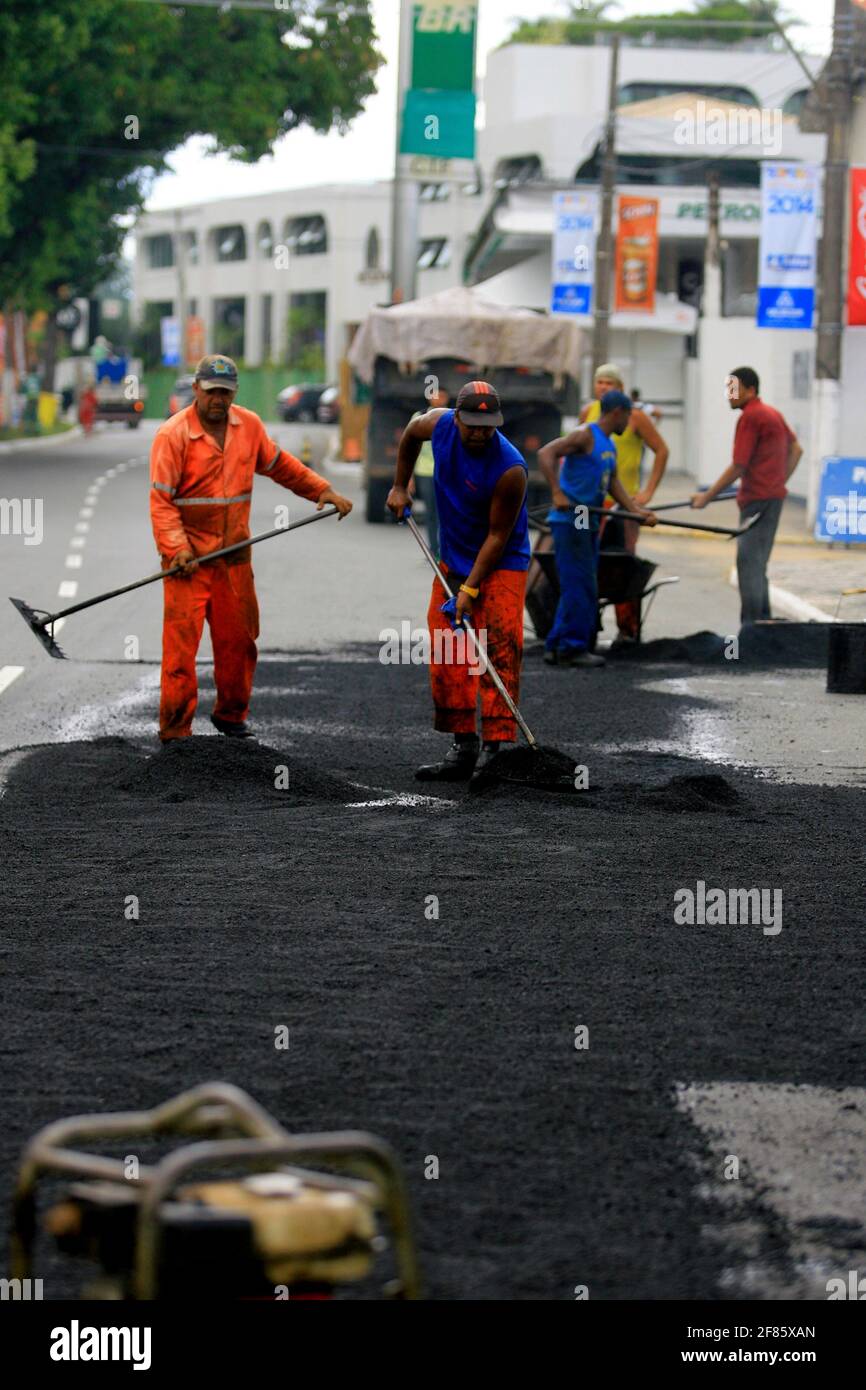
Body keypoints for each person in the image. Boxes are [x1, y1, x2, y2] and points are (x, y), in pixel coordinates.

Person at [150, 353, 352, 743]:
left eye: (225, 393)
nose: (218, 400)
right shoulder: (172, 436)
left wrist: (322, 490)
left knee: (239, 643)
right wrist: (177, 549)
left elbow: (281, 465)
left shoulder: (249, 427)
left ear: (234, 393)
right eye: (211, 392)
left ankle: (231, 716)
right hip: (187, 563)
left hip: (233, 560)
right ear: (196, 389)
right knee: (180, 655)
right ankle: (175, 734)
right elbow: (161, 502)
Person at [387, 380, 530, 782]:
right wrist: (400, 485)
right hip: (453, 558)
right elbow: (411, 435)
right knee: (449, 649)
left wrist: (470, 589)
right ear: (458, 418)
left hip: (501, 563)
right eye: (474, 424)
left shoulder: (510, 468)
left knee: (499, 649)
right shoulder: (437, 423)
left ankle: (495, 747)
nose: (481, 432)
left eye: (489, 425)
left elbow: (498, 537)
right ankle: (463, 745)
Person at [538, 390, 657, 668]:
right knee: (579, 585)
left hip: (589, 521)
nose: (629, 423)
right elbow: (546, 453)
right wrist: (557, 491)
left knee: (580, 584)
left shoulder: (608, 445)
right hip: (571, 521)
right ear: (617, 413)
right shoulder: (585, 435)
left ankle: (556, 644)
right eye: (628, 416)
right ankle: (571, 648)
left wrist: (636, 512)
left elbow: (612, 483)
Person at [691, 365, 802, 625]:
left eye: (734, 389)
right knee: (756, 563)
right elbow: (796, 449)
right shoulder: (771, 413)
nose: (729, 395)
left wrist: (706, 497)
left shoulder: (751, 416)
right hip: (770, 497)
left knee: (749, 564)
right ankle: (763, 623)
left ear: (751, 390)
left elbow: (739, 465)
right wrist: (778, 481)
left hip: (758, 501)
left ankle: (753, 627)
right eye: (727, 389)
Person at [581, 363, 669, 642]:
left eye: (610, 383)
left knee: (623, 566)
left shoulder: (635, 417)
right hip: (593, 502)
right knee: (590, 565)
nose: (603, 387)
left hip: (625, 504)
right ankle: (587, 627)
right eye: (600, 382)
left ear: (620, 389)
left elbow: (661, 450)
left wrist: (647, 493)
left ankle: (627, 631)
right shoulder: (588, 414)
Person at [408, 387, 448, 556]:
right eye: (436, 395)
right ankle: (433, 549)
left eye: (442, 396)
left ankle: (446, 550)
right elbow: (410, 449)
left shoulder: (451, 417)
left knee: (445, 512)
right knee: (431, 511)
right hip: (424, 471)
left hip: (446, 472)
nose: (439, 399)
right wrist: (408, 478)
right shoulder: (419, 417)